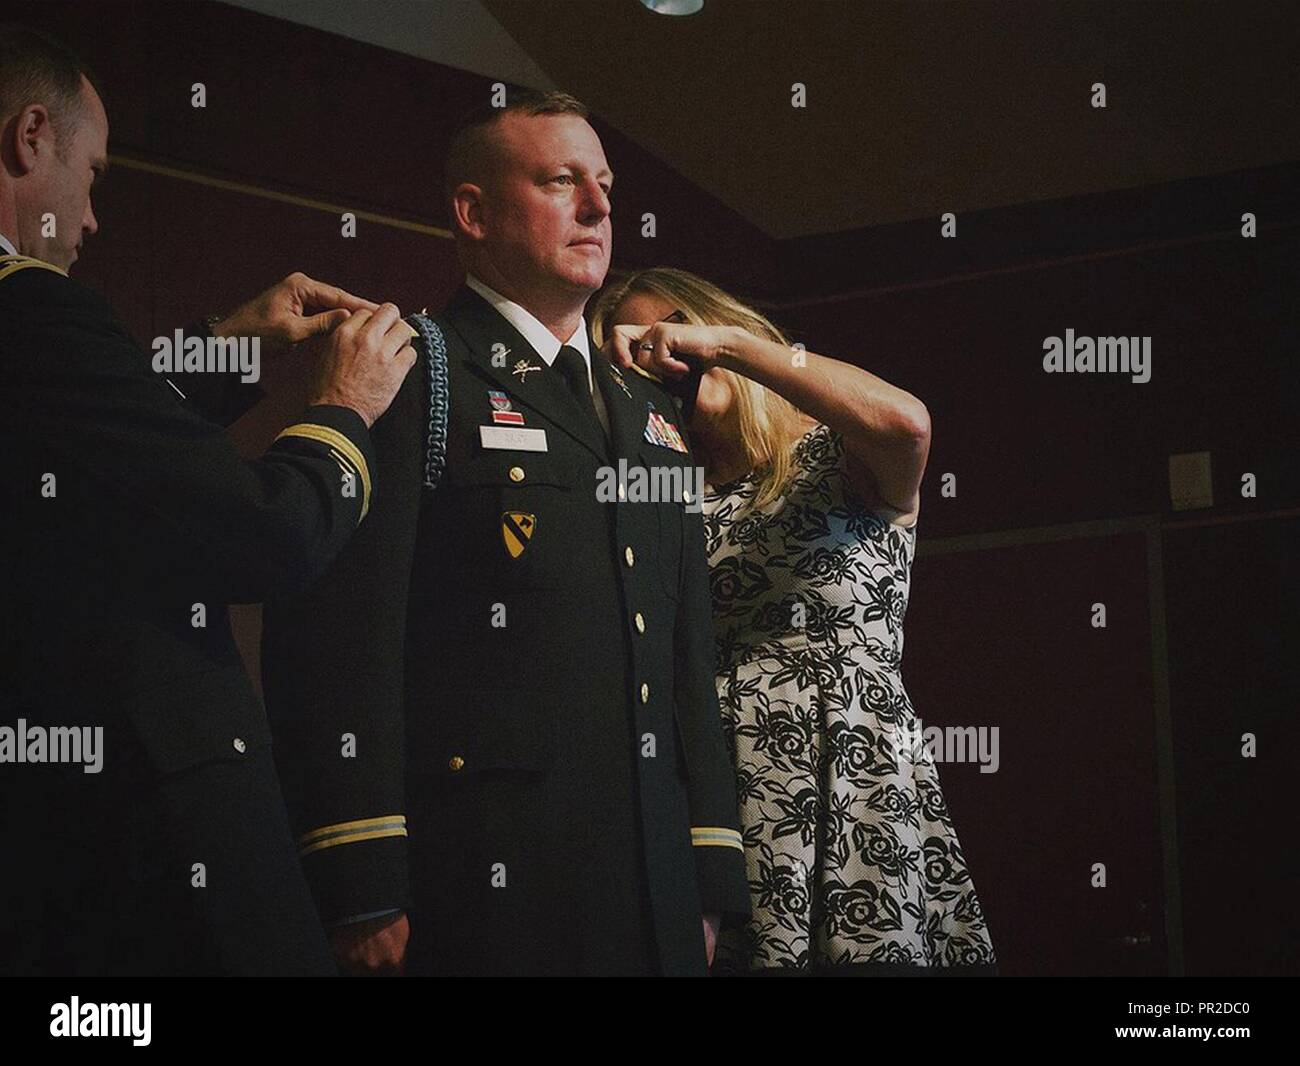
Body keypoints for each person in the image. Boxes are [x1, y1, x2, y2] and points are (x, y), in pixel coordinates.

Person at [261, 91, 749, 976]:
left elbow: (685, 662)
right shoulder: (411, 369)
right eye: (562, 182)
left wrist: (709, 874)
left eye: (604, 184)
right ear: (473, 213)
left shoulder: (649, 414)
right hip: (486, 878)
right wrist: (360, 877)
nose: (600, 207)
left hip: (652, 881)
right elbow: (339, 642)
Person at [0, 24, 416, 975]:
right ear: (31, 137)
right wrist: (344, 409)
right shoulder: (31, 309)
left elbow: (103, 450)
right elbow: (263, 536)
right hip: (133, 833)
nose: (95, 218)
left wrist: (228, 342)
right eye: (93, 175)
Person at [594, 267, 998, 974]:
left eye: (676, 330)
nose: (667, 357)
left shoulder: (834, 454)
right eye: (643, 354)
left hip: (849, 772)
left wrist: (722, 345)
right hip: (719, 791)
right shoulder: (666, 498)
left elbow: (907, 422)